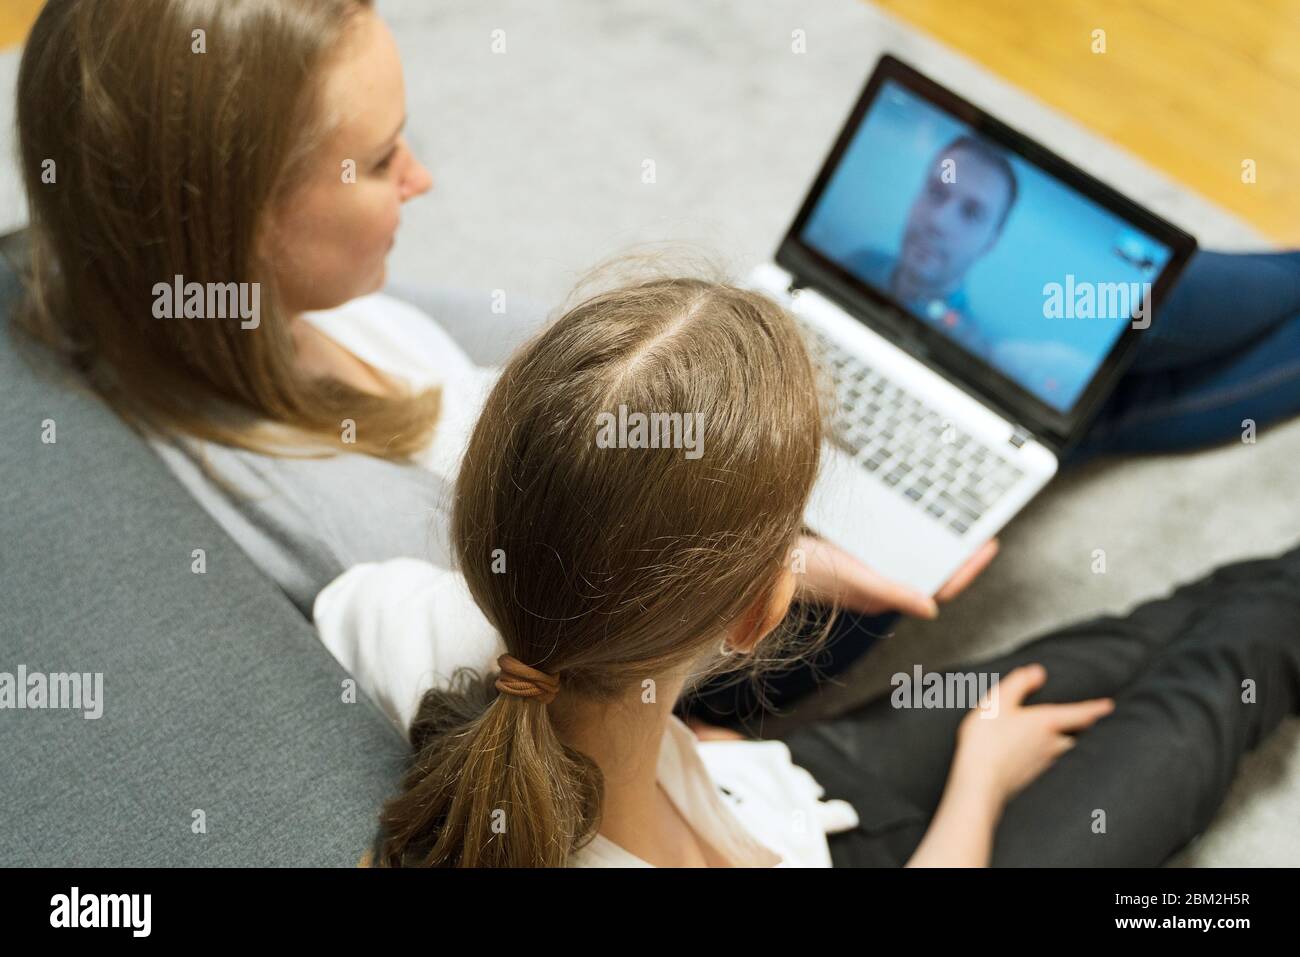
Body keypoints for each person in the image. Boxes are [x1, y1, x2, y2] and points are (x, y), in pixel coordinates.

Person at [14, 0, 1300, 721]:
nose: (425, 177)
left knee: (1051, 361)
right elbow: (569, 670)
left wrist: (713, 341)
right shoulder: (322, 517)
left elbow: (507, 337)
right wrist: (777, 564)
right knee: (1054, 386)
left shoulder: (216, 305)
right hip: (697, 634)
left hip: (644, 498)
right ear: (226, 217)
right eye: (375, 160)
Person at [314, 276, 1300, 867]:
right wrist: (979, 784)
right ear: (754, 615)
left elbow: (345, 607)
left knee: (1112, 652)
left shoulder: (448, 617)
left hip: (782, 796)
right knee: (1218, 682)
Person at [844, 135, 1017, 357]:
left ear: (990, 243)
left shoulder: (970, 351)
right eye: (936, 193)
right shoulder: (858, 263)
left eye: (971, 213)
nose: (938, 222)